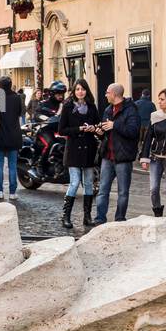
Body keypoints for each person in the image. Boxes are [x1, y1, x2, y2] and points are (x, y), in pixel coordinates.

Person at [92, 83, 140, 226]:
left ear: (114, 94)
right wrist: (100, 133)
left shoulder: (131, 110)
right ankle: (100, 219)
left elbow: (133, 132)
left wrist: (115, 125)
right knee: (102, 190)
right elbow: (106, 133)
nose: (105, 95)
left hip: (123, 158)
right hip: (107, 156)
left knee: (123, 192)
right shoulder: (108, 110)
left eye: (107, 92)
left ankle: (120, 219)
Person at [57, 79, 100, 229]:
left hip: (88, 149)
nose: (80, 92)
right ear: (74, 91)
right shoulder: (68, 107)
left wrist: (93, 128)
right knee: (75, 183)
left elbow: (98, 125)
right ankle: (65, 216)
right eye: (77, 89)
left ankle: (87, 217)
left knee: (88, 183)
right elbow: (62, 130)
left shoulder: (92, 107)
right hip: (74, 150)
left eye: (83, 89)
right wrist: (80, 129)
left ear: (87, 90)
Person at [141, 87, 166, 217]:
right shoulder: (155, 116)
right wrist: (144, 158)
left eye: (162, 99)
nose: (159, 101)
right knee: (153, 189)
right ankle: (157, 213)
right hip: (155, 158)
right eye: (159, 99)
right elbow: (147, 139)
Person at [0, 76, 23, 202]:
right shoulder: (16, 97)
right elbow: (19, 113)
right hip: (14, 135)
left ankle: (0, 191)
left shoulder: (0, 98)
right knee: (12, 166)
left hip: (0, 136)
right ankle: (13, 192)